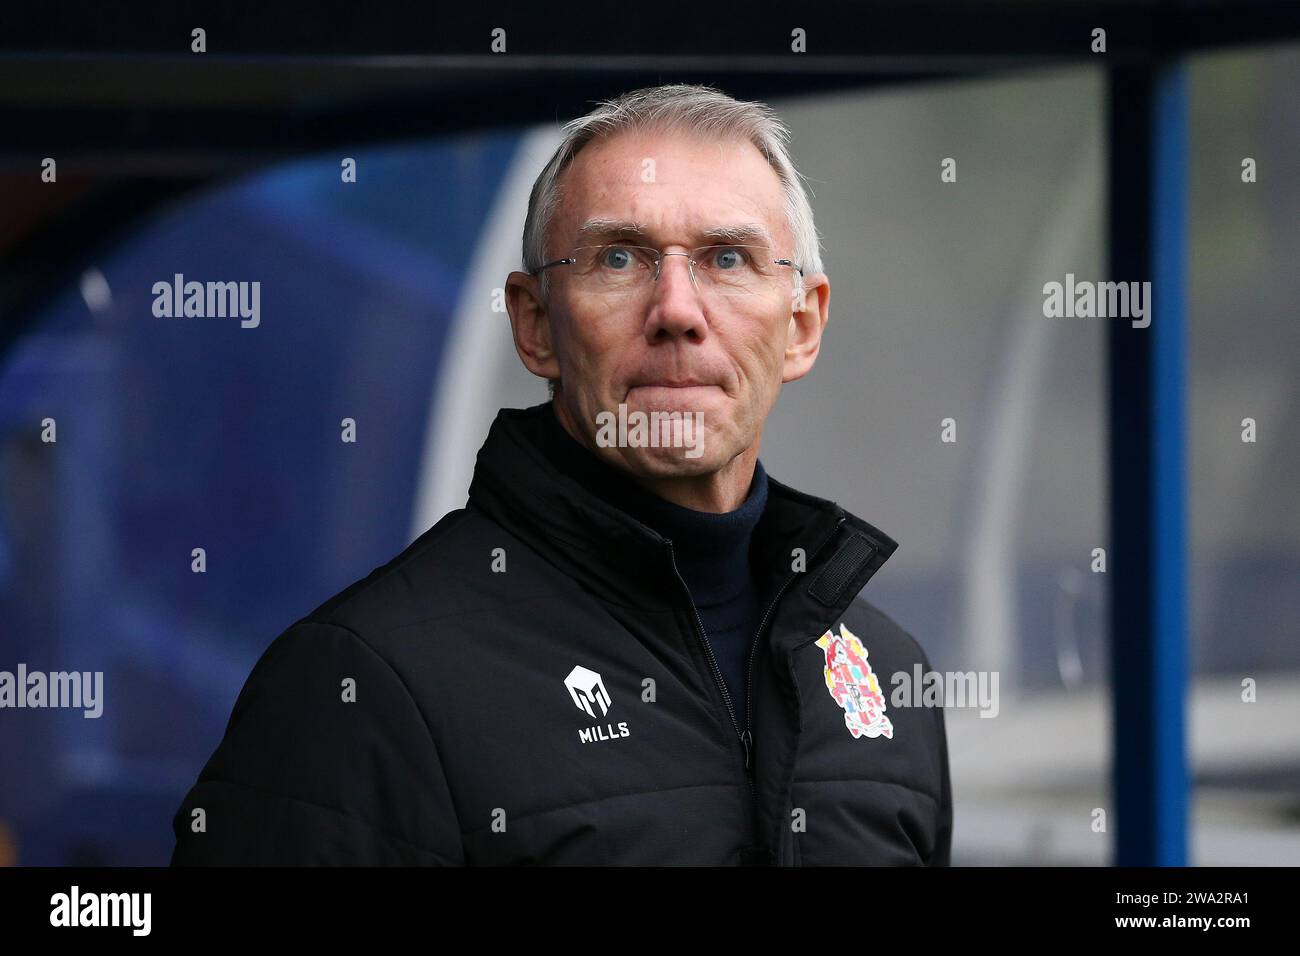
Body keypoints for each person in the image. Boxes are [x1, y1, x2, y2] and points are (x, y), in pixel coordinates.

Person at [170, 83, 952, 866]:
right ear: (536, 324)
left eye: (727, 258)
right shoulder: (365, 681)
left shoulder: (883, 674)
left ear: (802, 327)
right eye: (619, 257)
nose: (677, 309)